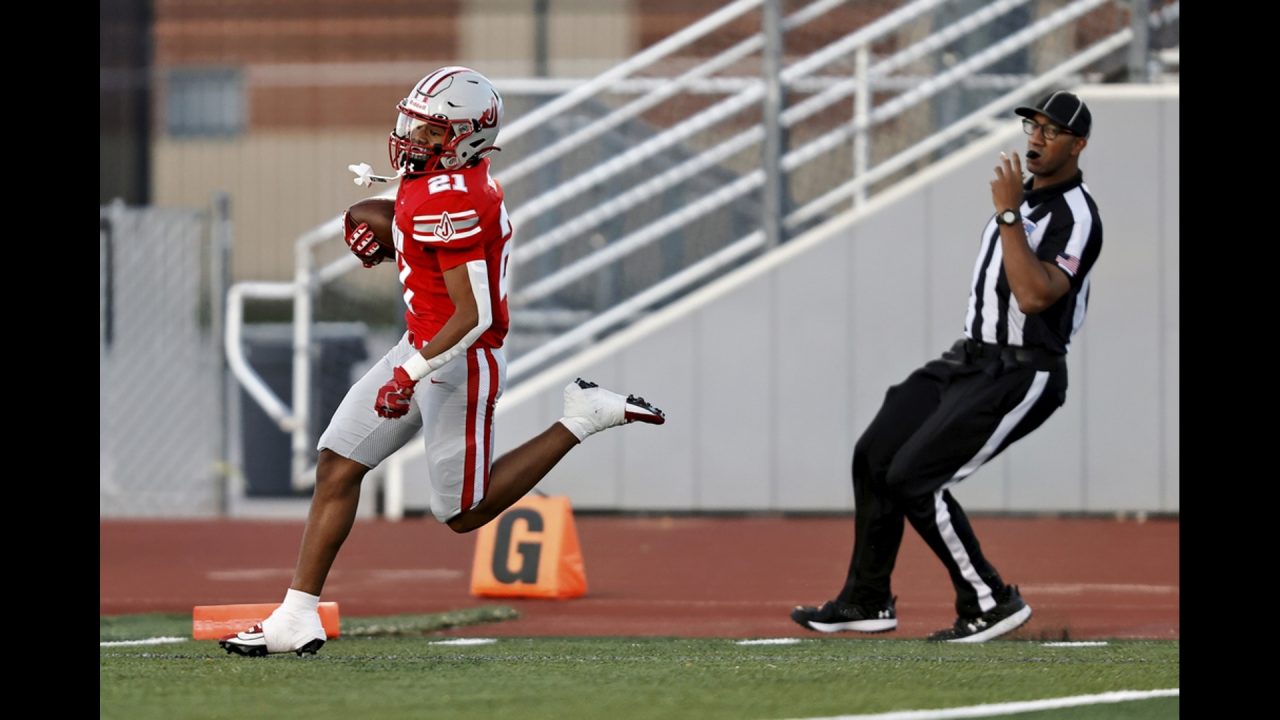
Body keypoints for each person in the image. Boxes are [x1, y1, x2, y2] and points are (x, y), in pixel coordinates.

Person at [220, 66, 666, 657]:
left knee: (462, 512)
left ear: (466, 139)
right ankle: (296, 616)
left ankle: (583, 416)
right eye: (416, 124)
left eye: (431, 132)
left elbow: (473, 315)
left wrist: (408, 374)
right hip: (424, 343)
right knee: (337, 463)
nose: (412, 138)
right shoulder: (444, 179)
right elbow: (411, 213)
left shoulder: (453, 199)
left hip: (459, 358)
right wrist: (369, 218)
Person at [790, 91, 1103, 642]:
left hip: (1023, 370)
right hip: (969, 359)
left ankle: (990, 601)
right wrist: (1012, 209)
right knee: (875, 454)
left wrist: (1007, 211)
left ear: (1078, 145)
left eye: (1052, 131)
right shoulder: (1024, 201)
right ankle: (867, 599)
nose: (1036, 137)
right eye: (1032, 125)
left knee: (917, 476)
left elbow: (1034, 296)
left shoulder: (1075, 215)